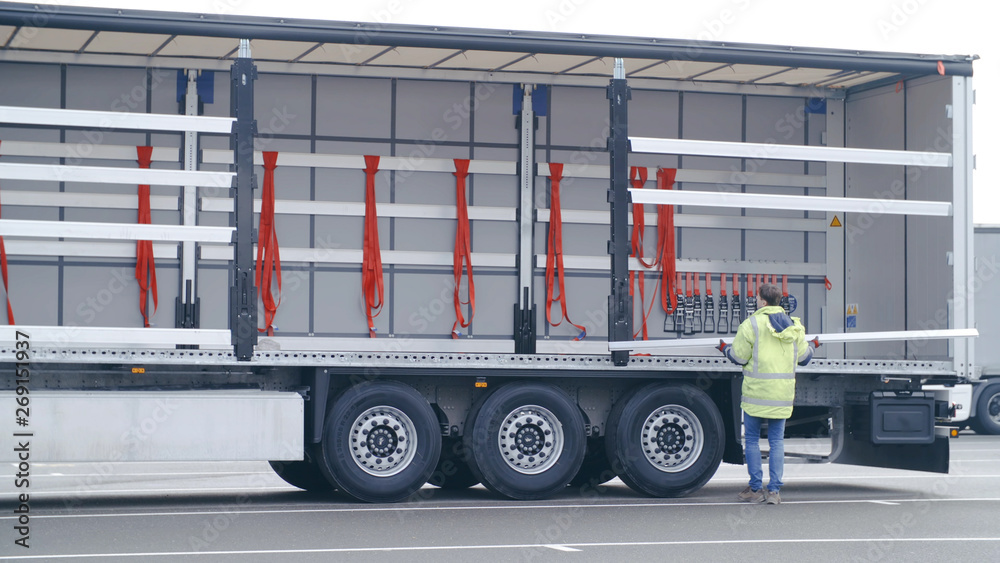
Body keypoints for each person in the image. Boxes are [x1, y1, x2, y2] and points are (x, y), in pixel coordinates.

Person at [718, 283, 814, 505]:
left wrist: (724, 348)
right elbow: (804, 357)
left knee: (751, 440)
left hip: (756, 395)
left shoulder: (751, 324)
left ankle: (755, 489)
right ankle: (774, 492)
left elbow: (739, 357)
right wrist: (814, 346)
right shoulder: (794, 326)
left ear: (762, 300)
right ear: (779, 300)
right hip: (781, 395)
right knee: (776, 441)